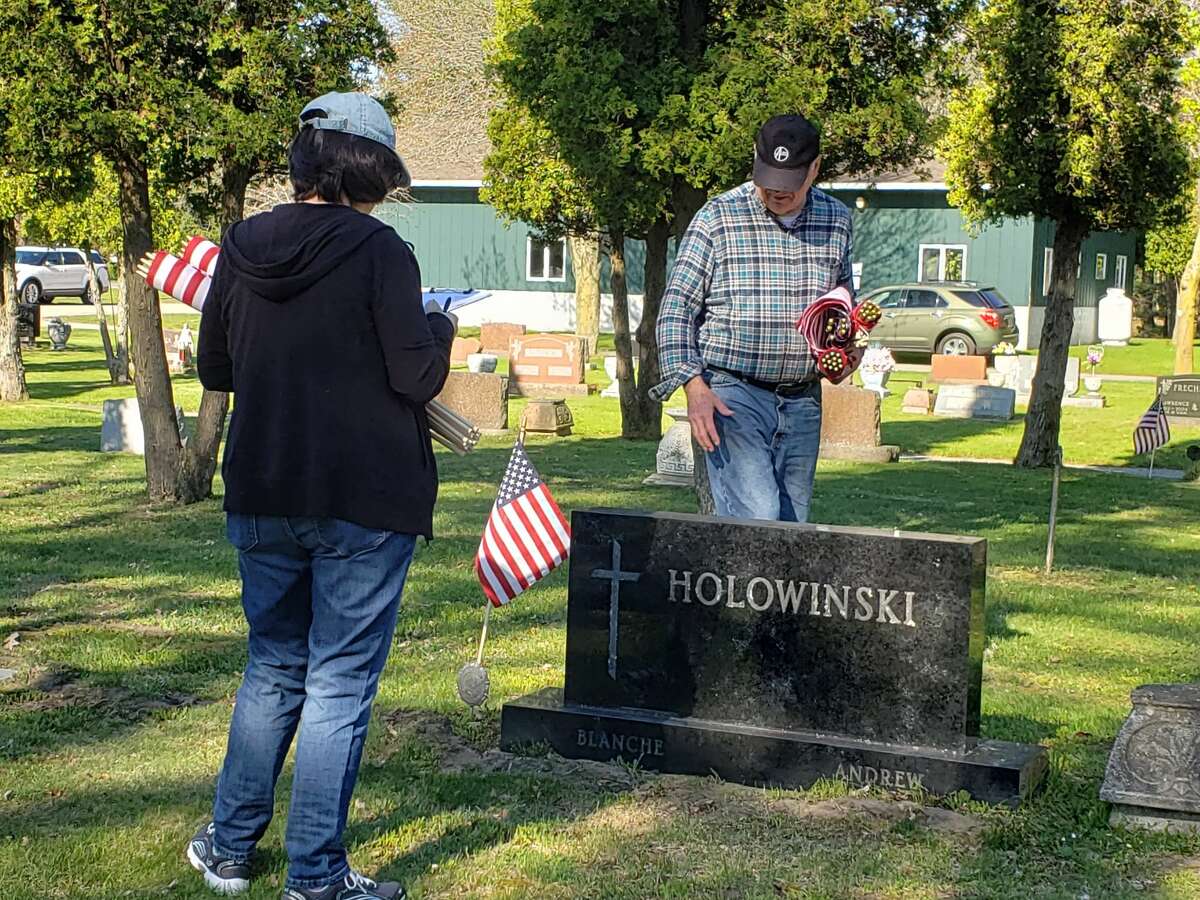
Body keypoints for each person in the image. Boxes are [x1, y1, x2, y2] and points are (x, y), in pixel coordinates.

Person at [189, 92, 456, 900]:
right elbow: (416, 375)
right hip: (364, 497)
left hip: (264, 485)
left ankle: (230, 848)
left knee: (273, 667)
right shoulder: (381, 253)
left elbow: (216, 370)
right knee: (340, 681)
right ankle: (315, 873)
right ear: (369, 169)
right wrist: (439, 328)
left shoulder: (239, 247)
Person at [651, 114, 854, 522]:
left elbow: (842, 303)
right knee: (758, 519)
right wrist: (693, 388)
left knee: (790, 529)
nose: (777, 191)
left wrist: (846, 347)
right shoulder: (717, 218)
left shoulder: (837, 220)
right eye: (769, 177)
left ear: (815, 168)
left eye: (790, 181)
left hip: (802, 402)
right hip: (732, 393)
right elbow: (675, 311)